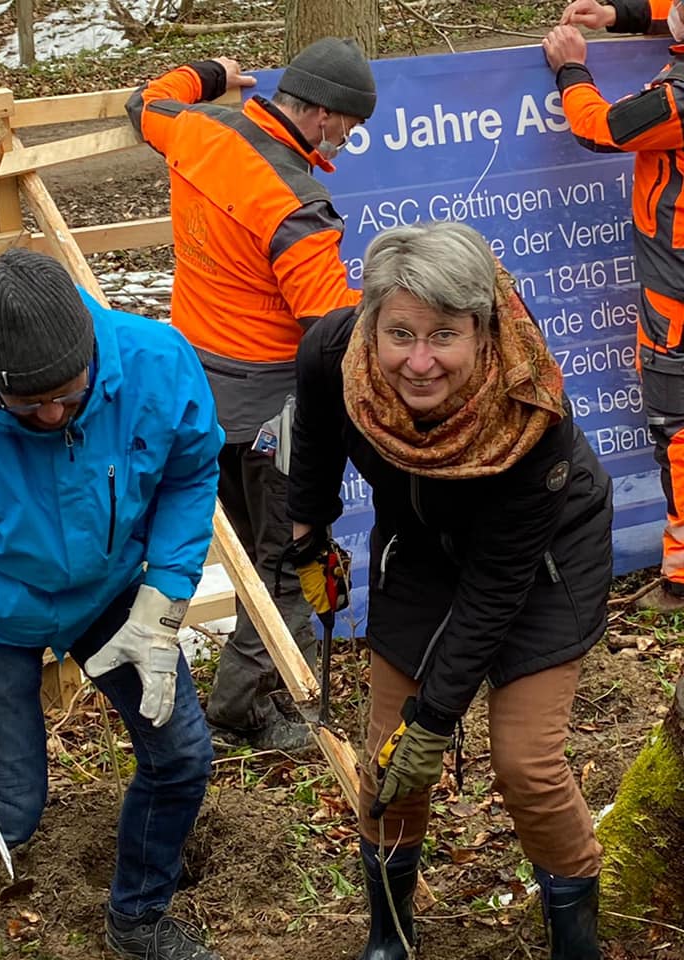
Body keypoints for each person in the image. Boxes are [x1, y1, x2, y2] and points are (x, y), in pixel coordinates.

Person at [286, 222, 613, 960]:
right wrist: (308, 539)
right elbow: (312, 441)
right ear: (370, 321)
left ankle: (577, 943)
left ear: (483, 327)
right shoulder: (338, 354)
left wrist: (434, 720)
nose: (419, 361)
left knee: (525, 764)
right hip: (419, 549)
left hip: (541, 563)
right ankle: (388, 941)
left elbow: (497, 589)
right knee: (388, 764)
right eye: (399, 333)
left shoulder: (532, 414)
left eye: (444, 336)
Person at [0, 249, 224, 960]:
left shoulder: (153, 362)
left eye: (67, 398)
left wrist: (166, 598)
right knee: (6, 809)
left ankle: (137, 921)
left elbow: (190, 468)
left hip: (111, 591)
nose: (51, 415)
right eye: (26, 407)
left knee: (180, 756)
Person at [126, 41, 377, 753]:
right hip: (276, 413)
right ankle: (240, 707)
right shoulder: (295, 203)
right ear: (321, 114)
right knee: (290, 565)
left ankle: (249, 677)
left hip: (198, 394)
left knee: (252, 548)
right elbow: (332, 331)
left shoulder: (196, 127)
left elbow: (142, 99)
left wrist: (210, 75)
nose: (348, 141)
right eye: (348, 127)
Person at [545, 0, 684, 612]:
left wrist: (571, 71)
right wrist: (623, 14)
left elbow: (603, 128)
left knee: (677, 430)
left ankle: (681, 574)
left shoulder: (679, 100)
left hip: (675, 293)